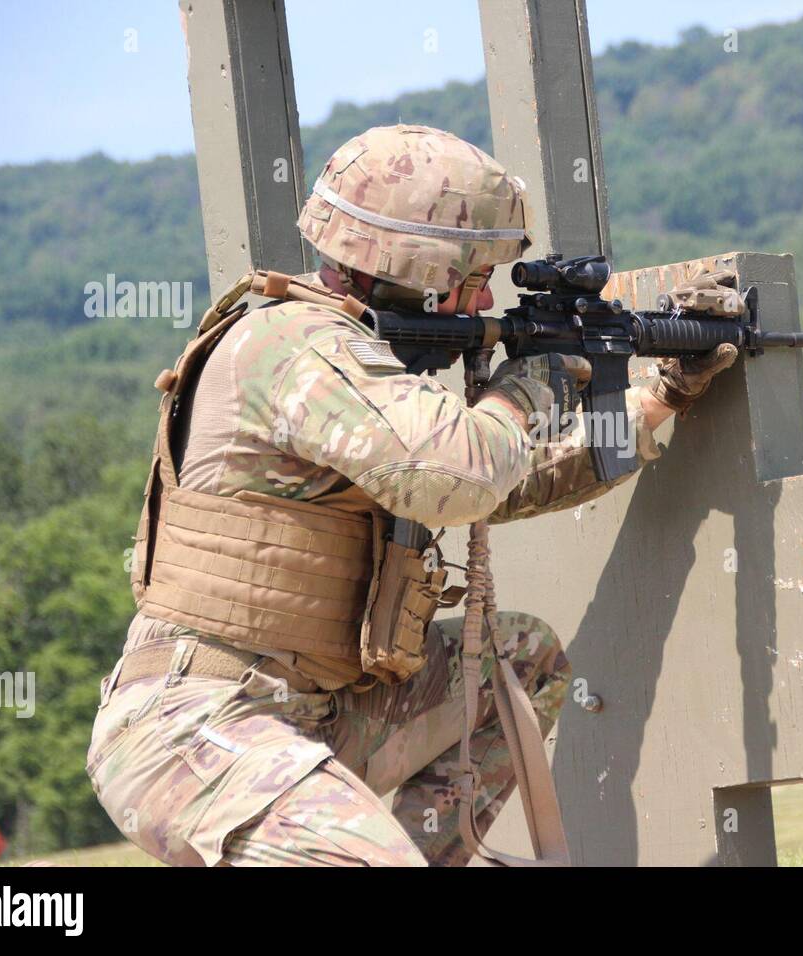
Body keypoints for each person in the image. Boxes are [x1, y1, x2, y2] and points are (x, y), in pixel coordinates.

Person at [86, 125, 738, 866]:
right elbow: (458, 477)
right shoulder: (296, 344)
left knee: (519, 661)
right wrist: (529, 385)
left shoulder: (361, 361)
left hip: (317, 712)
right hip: (195, 724)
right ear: (418, 264)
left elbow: (510, 480)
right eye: (476, 272)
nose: (488, 294)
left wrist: (661, 396)